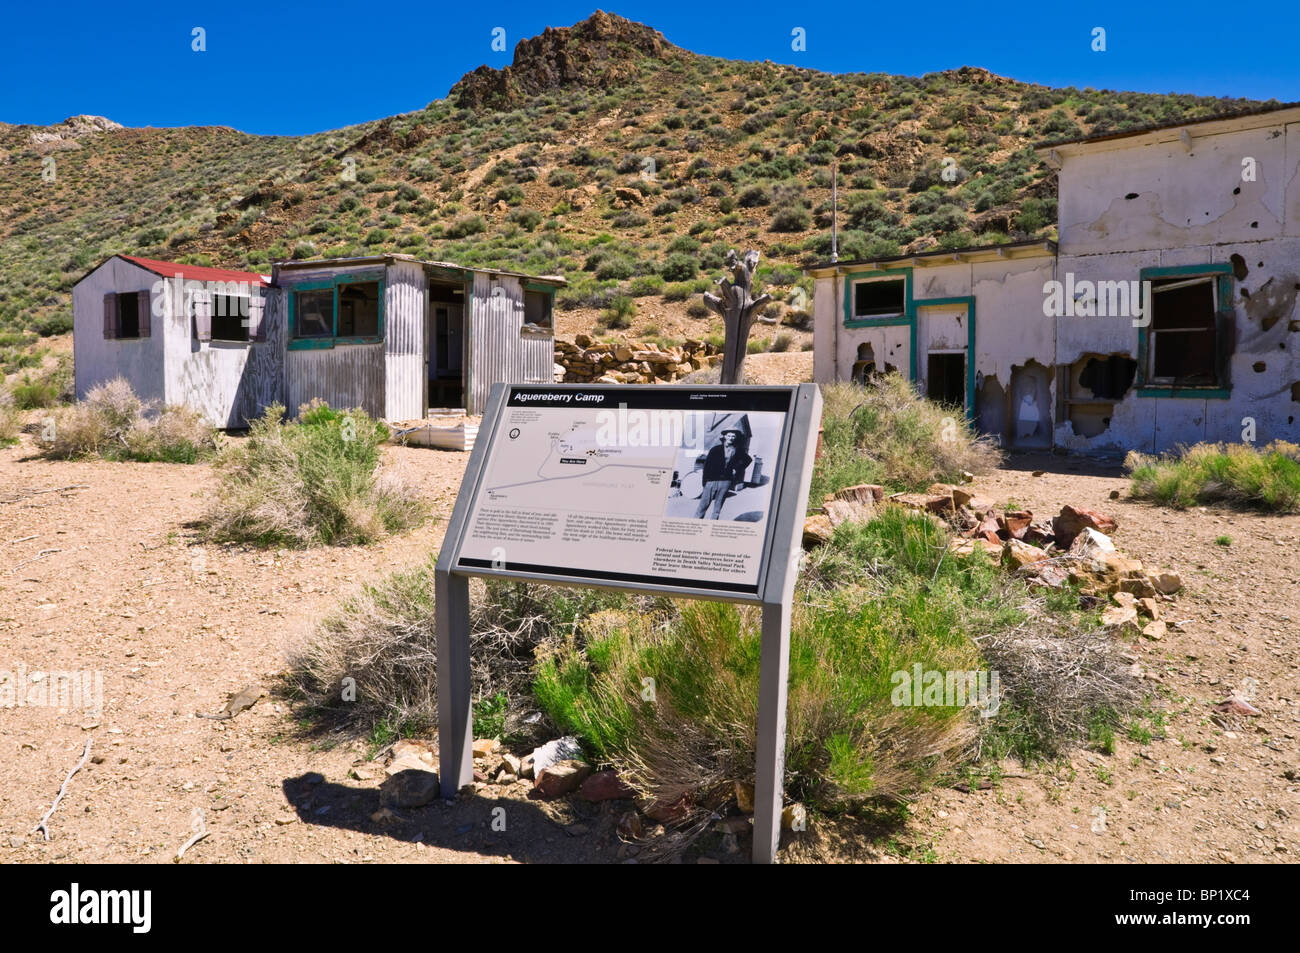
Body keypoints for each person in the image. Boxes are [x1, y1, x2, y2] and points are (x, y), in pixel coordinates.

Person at [694, 429, 752, 519]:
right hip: (711, 481)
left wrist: (737, 468)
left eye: (733, 436)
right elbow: (707, 466)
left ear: (735, 438)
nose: (731, 438)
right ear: (725, 436)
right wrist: (704, 482)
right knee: (702, 506)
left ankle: (711, 526)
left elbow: (748, 460)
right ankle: (696, 524)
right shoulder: (715, 449)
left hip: (726, 481)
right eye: (729, 436)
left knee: (717, 508)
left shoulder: (738, 450)